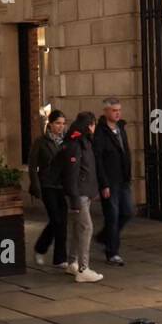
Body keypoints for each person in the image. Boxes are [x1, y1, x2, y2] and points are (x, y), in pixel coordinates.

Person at [61, 112, 102, 283]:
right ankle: (83, 269)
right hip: (79, 194)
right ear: (88, 125)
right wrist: (75, 199)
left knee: (78, 227)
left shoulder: (84, 141)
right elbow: (71, 174)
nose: (94, 128)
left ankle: (73, 262)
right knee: (86, 228)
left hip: (84, 192)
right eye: (93, 124)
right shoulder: (76, 144)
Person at [93, 98, 134, 267]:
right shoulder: (100, 132)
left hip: (123, 180)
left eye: (119, 110)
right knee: (112, 217)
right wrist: (104, 184)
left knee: (128, 212)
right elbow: (98, 160)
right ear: (106, 112)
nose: (118, 113)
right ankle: (113, 253)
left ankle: (104, 237)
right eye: (114, 110)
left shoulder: (121, 128)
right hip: (110, 182)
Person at [28, 109, 68, 269]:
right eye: (58, 123)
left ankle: (59, 258)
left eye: (63, 124)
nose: (61, 127)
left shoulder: (66, 142)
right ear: (50, 124)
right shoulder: (41, 142)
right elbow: (32, 166)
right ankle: (41, 248)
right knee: (56, 219)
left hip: (62, 186)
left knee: (61, 221)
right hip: (47, 185)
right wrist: (36, 186)